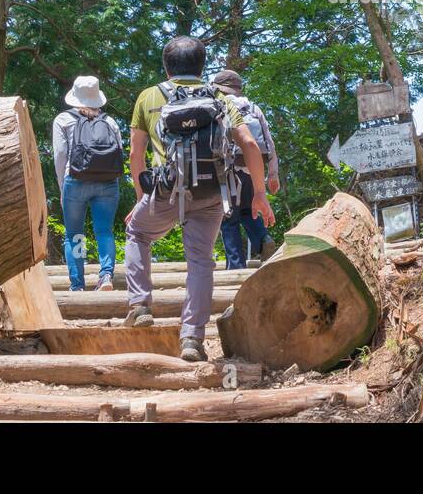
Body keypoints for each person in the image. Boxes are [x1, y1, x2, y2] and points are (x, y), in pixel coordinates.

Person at [124, 36, 275, 362]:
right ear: (202, 66)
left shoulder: (149, 96)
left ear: (166, 66)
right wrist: (259, 194)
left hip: (166, 191)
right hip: (211, 192)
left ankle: (140, 305)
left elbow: (136, 154)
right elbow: (249, 144)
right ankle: (192, 339)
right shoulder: (220, 96)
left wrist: (140, 196)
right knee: (201, 262)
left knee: (137, 233)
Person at [53, 75, 124, 292]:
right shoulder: (110, 122)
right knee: (105, 231)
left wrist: (62, 186)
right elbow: (118, 152)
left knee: (75, 234)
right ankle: (105, 276)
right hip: (107, 182)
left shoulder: (63, 120)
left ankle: (77, 284)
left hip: (75, 181)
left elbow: (60, 155)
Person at [210, 69, 280, 269]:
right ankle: (264, 238)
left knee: (228, 219)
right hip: (253, 169)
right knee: (251, 211)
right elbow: (269, 142)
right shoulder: (253, 108)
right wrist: (272, 174)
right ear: (239, 89)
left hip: (229, 171)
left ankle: (236, 267)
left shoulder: (218, 106)